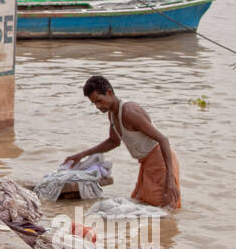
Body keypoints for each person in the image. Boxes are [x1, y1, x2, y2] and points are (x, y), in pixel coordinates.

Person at [64, 75, 180, 208]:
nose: (98, 106)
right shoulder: (112, 114)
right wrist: (82, 154)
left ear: (109, 92)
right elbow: (113, 142)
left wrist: (170, 178)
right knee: (145, 204)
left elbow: (163, 140)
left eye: (99, 101)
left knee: (163, 208)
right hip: (147, 163)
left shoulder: (129, 112)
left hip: (161, 161)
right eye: (94, 103)